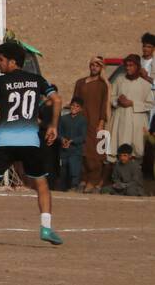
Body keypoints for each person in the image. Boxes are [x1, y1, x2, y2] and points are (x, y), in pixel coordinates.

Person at [0, 41, 63, 247]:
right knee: (42, 184)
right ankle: (45, 227)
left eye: (0, 60)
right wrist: (53, 126)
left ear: (12, 61)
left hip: (4, 140)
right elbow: (58, 99)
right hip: (29, 141)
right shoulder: (37, 80)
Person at [71, 56, 110, 192]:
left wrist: (101, 122)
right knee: (81, 151)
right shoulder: (80, 82)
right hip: (81, 121)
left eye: (98, 66)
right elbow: (75, 101)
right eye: (92, 65)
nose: (94, 68)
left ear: (101, 68)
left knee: (94, 153)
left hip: (95, 122)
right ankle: (83, 178)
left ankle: (93, 181)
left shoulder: (103, 85)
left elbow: (104, 104)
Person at [109, 54, 151, 165]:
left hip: (137, 120)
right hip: (120, 118)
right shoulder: (119, 80)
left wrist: (132, 103)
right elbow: (111, 97)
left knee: (137, 148)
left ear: (137, 66)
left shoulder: (145, 84)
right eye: (126, 65)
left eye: (131, 65)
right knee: (120, 145)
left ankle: (135, 176)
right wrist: (118, 100)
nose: (128, 68)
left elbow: (150, 104)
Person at [57, 96, 87, 191]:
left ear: (81, 108)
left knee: (74, 168)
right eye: (73, 105)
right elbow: (58, 132)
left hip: (75, 150)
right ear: (70, 106)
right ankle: (63, 188)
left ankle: (74, 187)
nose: (74, 108)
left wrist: (72, 141)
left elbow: (83, 136)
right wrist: (62, 139)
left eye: (77, 106)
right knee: (63, 169)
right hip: (64, 150)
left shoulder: (82, 120)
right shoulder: (63, 118)